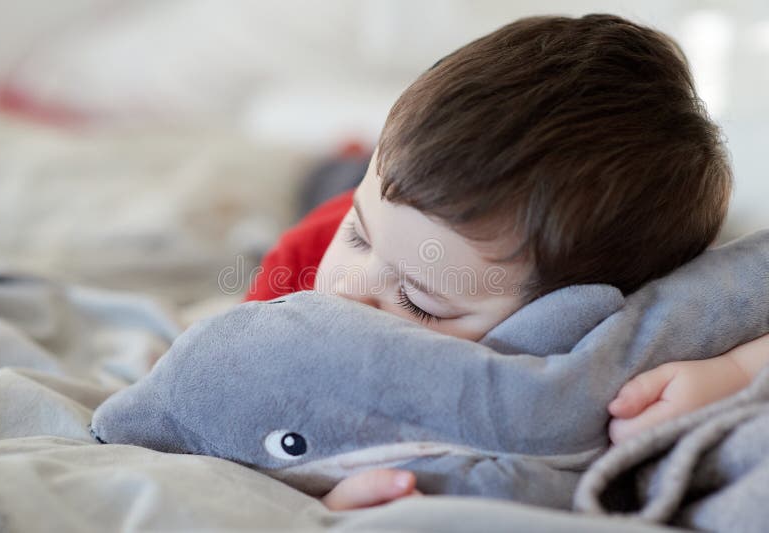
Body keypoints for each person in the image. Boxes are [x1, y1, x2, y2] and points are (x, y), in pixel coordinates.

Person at [244, 13, 767, 510]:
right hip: (349, 189)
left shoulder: (600, 336)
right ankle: (349, 160)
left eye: (416, 300)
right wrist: (311, 493)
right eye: (357, 241)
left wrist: (730, 372)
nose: (347, 289)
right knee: (330, 181)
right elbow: (223, 404)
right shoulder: (308, 263)